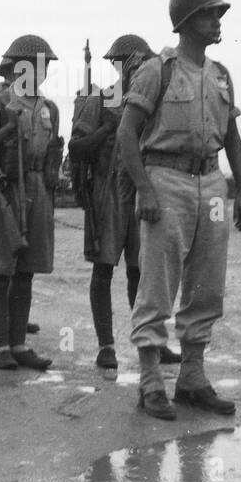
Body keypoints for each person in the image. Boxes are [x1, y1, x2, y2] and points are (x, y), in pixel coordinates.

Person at [115, 0, 241, 419]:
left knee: (206, 284)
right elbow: (125, 134)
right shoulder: (158, 70)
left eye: (219, 14)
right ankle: (151, 382)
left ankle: (192, 377)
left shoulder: (221, 74)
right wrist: (145, 189)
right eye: (210, 14)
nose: (218, 22)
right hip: (166, 177)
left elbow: (231, 134)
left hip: (210, 180)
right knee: (158, 283)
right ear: (186, 22)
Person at [70, 34, 179, 371]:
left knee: (141, 273)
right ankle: (106, 346)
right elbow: (77, 147)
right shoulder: (99, 99)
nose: (135, 69)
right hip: (107, 192)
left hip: (142, 190)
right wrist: (109, 130)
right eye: (129, 63)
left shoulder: (154, 100)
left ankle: (150, 343)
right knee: (103, 270)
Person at [0, 35, 63, 371]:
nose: (42, 71)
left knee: (26, 272)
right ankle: (0, 348)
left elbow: (52, 154)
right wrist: (6, 132)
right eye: (36, 65)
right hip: (4, 191)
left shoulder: (49, 108)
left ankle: (20, 344)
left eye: (45, 65)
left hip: (37, 189)